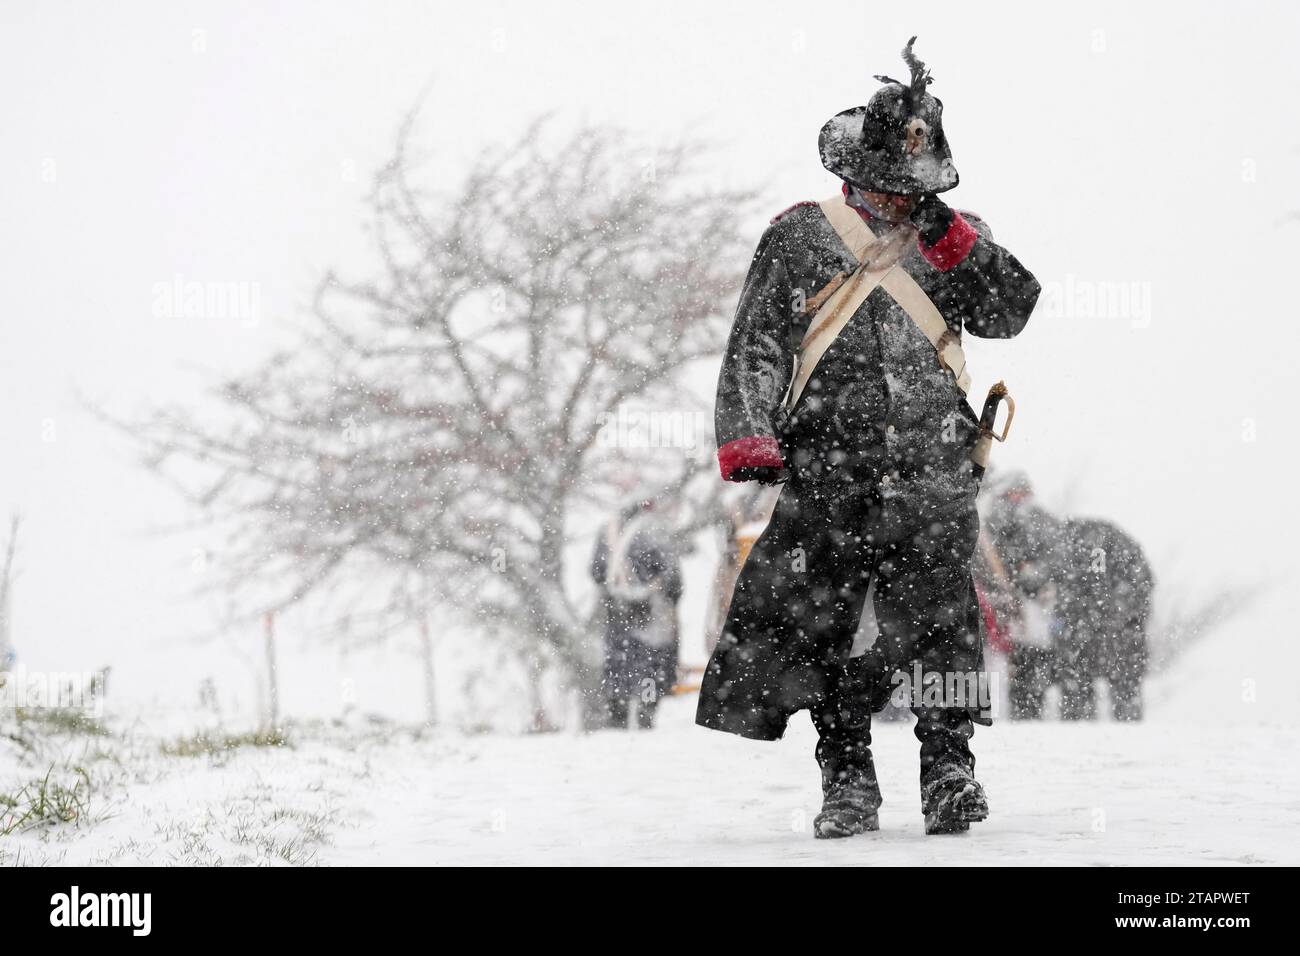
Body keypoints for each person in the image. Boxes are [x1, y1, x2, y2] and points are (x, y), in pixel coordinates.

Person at [695, 38, 1040, 836]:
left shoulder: (956, 237)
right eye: (886, 186)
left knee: (943, 622)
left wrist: (949, 235)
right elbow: (756, 343)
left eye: (908, 189)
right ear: (855, 172)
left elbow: (1010, 310)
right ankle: (846, 776)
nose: (894, 200)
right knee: (826, 627)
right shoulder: (799, 236)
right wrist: (750, 434)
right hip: (825, 466)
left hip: (933, 469)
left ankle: (949, 768)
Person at [591, 496, 683, 729]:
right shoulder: (658, 530)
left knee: (617, 664)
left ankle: (617, 717)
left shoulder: (607, 531)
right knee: (651, 665)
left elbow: (596, 571)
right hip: (653, 612)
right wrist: (668, 598)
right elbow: (673, 579)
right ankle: (646, 716)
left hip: (617, 609)